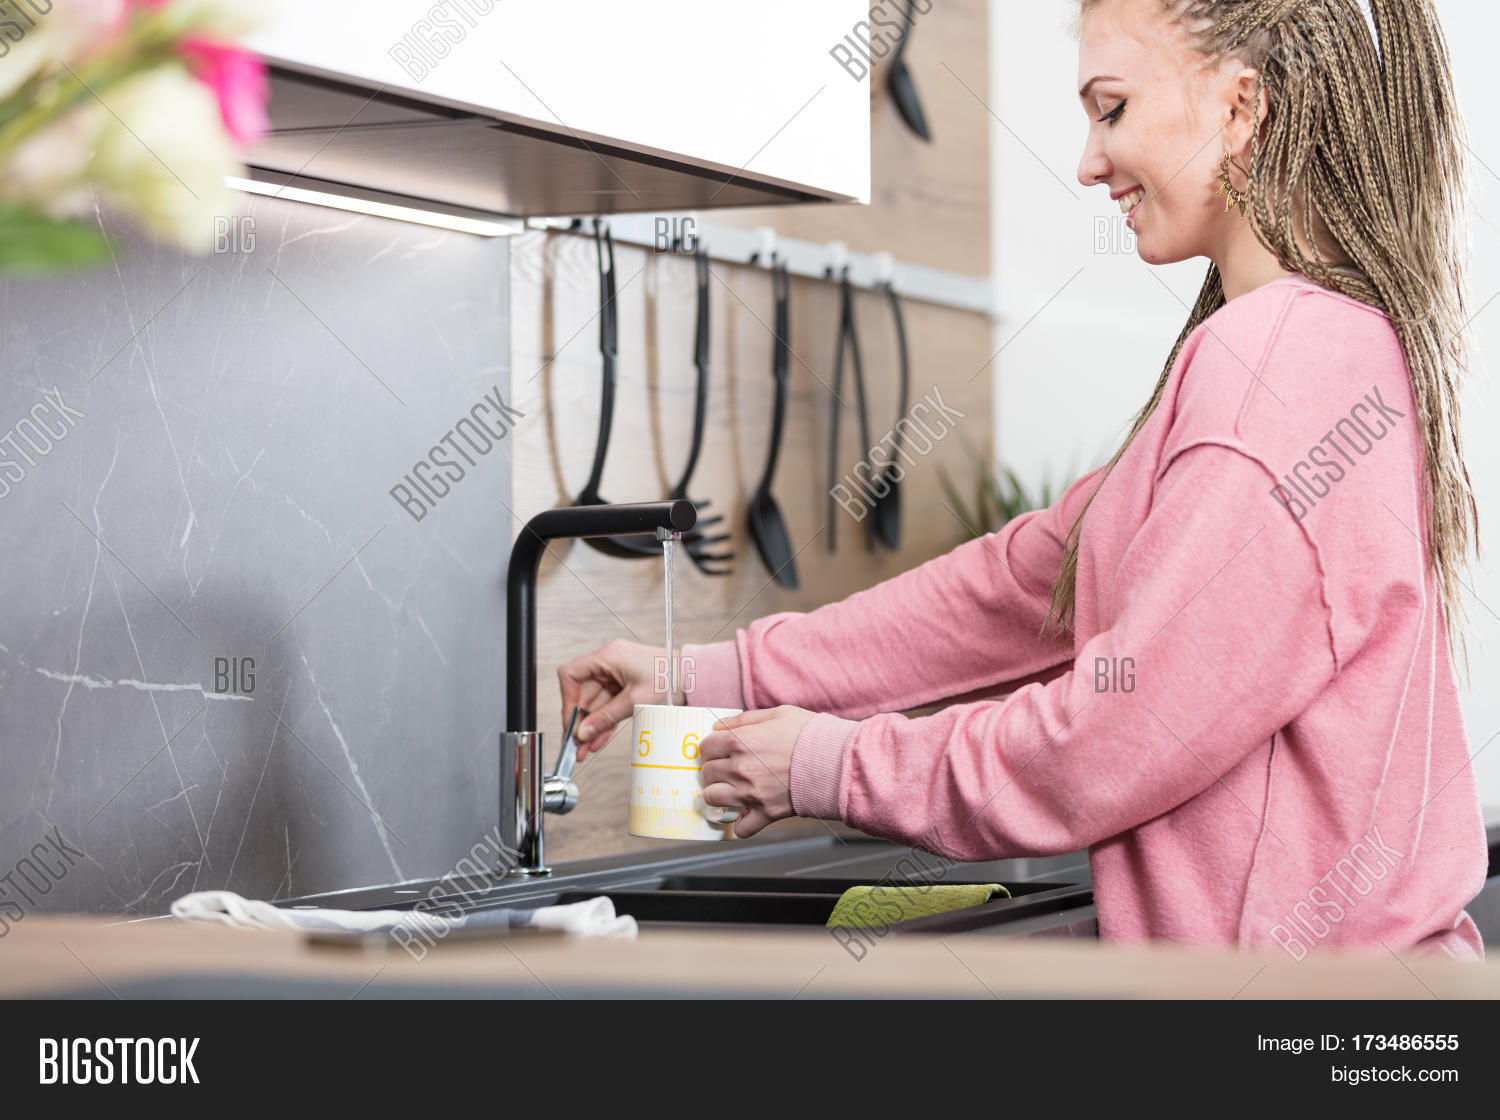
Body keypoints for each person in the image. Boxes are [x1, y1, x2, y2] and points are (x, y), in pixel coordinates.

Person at [558, 0, 1487, 958]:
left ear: (1242, 106)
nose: (1089, 160)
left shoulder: (1280, 369)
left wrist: (832, 768)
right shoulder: (1297, 350)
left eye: (1112, 108)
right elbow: (1016, 588)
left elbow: (1113, 738)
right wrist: (707, 673)